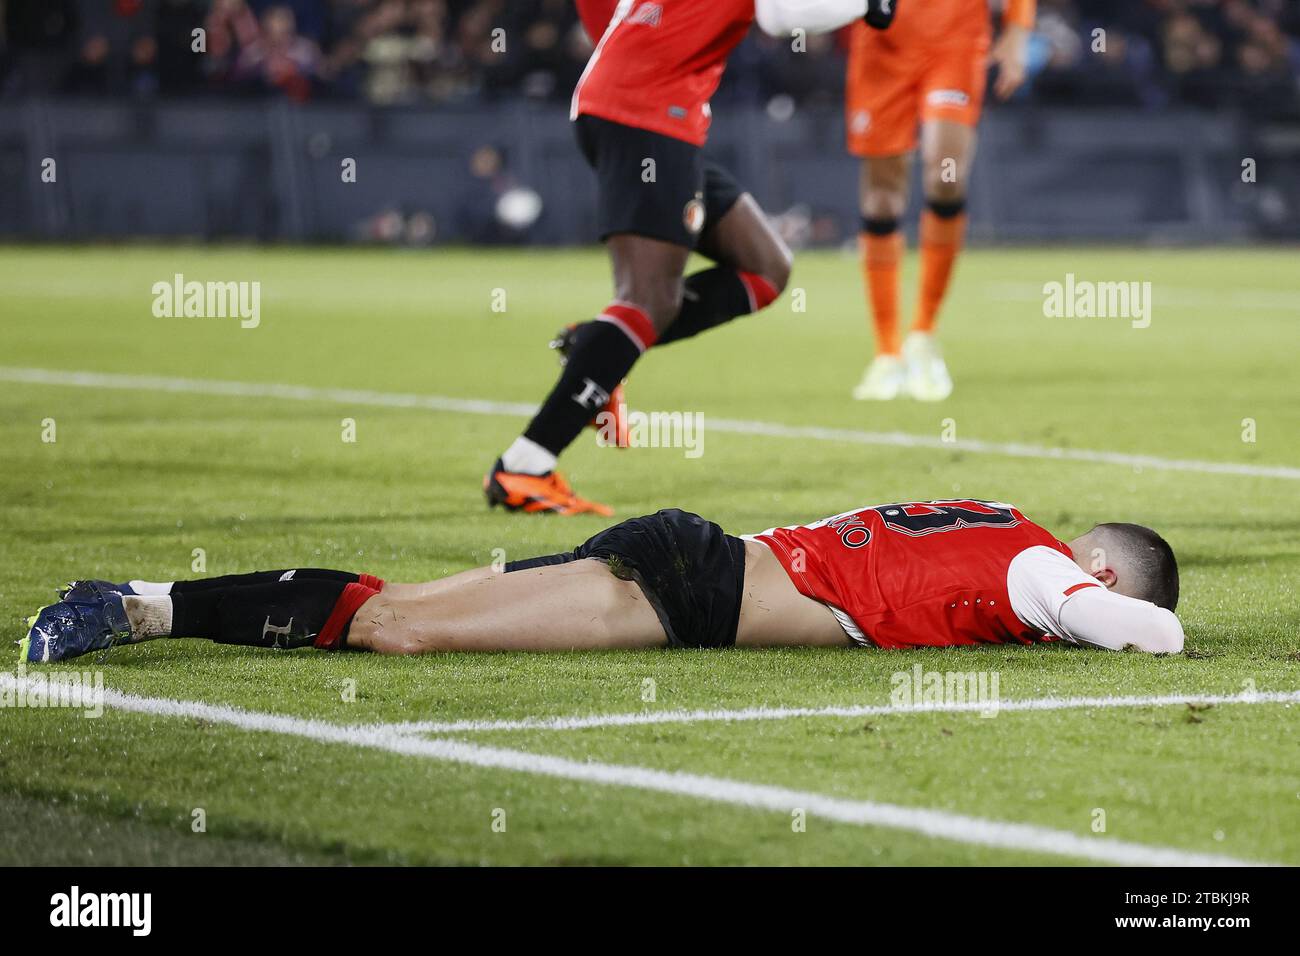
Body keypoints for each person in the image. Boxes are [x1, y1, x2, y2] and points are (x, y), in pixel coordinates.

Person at [484, 0, 897, 516]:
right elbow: (777, 13)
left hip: (637, 108)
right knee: (649, 300)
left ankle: (595, 345)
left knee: (765, 267)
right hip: (646, 114)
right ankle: (526, 464)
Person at [23, 499, 1183, 663]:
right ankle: (136, 603)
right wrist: (1146, 618)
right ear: (1094, 562)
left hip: (695, 561)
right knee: (402, 627)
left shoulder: (1008, 532)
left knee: (400, 615)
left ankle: (146, 604)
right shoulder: (1046, 569)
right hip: (686, 585)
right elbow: (1136, 630)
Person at [848, 0, 1034, 401]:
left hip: (955, 37)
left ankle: (923, 334)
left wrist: (1018, 30)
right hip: (881, 39)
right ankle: (886, 353)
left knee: (944, 172)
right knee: (881, 201)